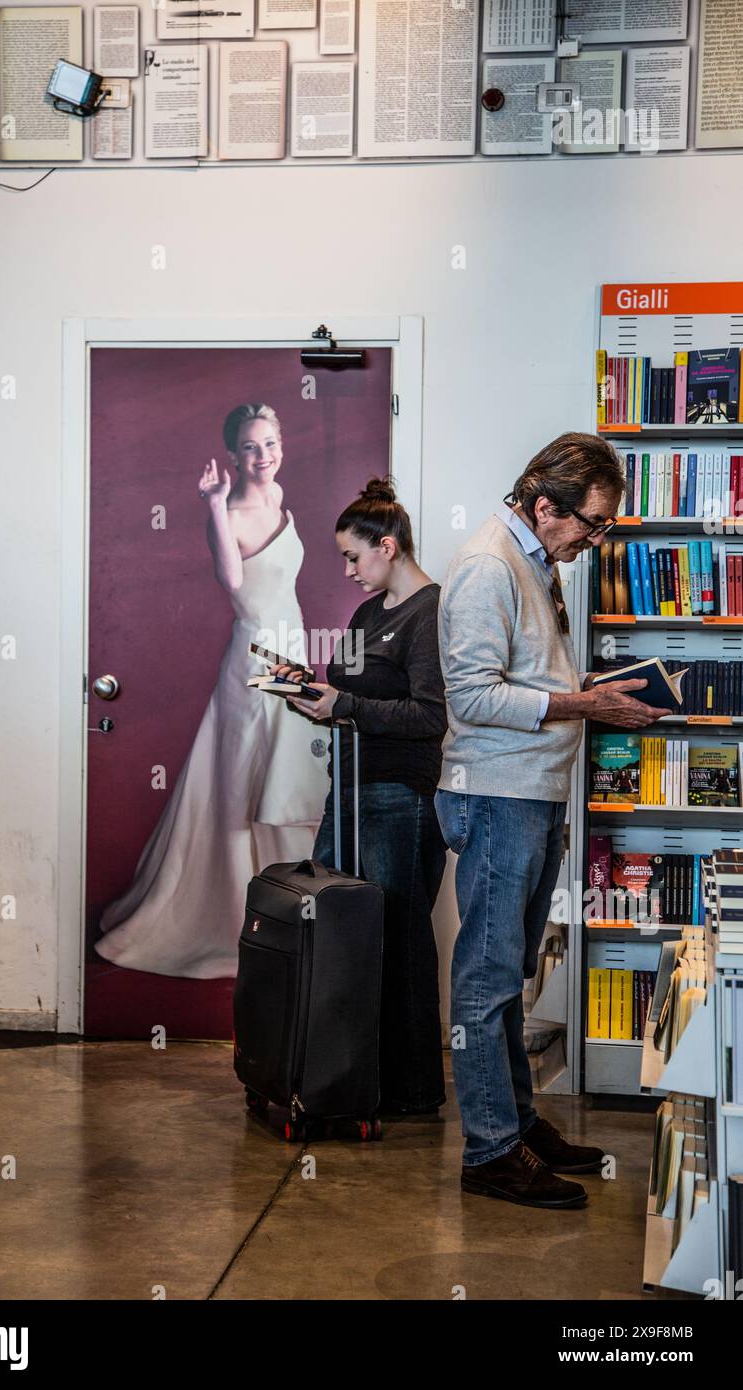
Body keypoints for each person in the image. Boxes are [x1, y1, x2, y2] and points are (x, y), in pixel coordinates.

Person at [434, 432, 667, 1208]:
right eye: (592, 525)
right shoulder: (488, 566)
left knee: (512, 973)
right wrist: (582, 703)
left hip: (529, 793)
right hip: (497, 795)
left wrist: (589, 687)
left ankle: (519, 1125)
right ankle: (490, 1151)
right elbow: (469, 697)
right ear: (544, 506)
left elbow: (526, 675)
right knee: (487, 978)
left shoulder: (535, 561)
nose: (595, 541)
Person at [95, 403, 328, 979]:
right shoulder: (229, 509)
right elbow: (231, 581)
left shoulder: (279, 499)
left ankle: (295, 908)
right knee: (247, 784)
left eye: (270, 442)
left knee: (293, 776)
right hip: (257, 661)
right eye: (251, 446)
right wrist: (215, 505)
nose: (264, 455)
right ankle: (236, 915)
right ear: (232, 455)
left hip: (291, 651)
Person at [280, 478, 448, 1115]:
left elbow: (430, 717)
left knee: (398, 938)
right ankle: (350, 1075)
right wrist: (308, 694)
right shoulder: (365, 615)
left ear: (389, 545)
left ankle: (410, 1092)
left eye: (354, 556)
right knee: (338, 932)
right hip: (348, 794)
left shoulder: (429, 612)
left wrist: (344, 703)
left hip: (399, 798)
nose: (347, 570)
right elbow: (347, 700)